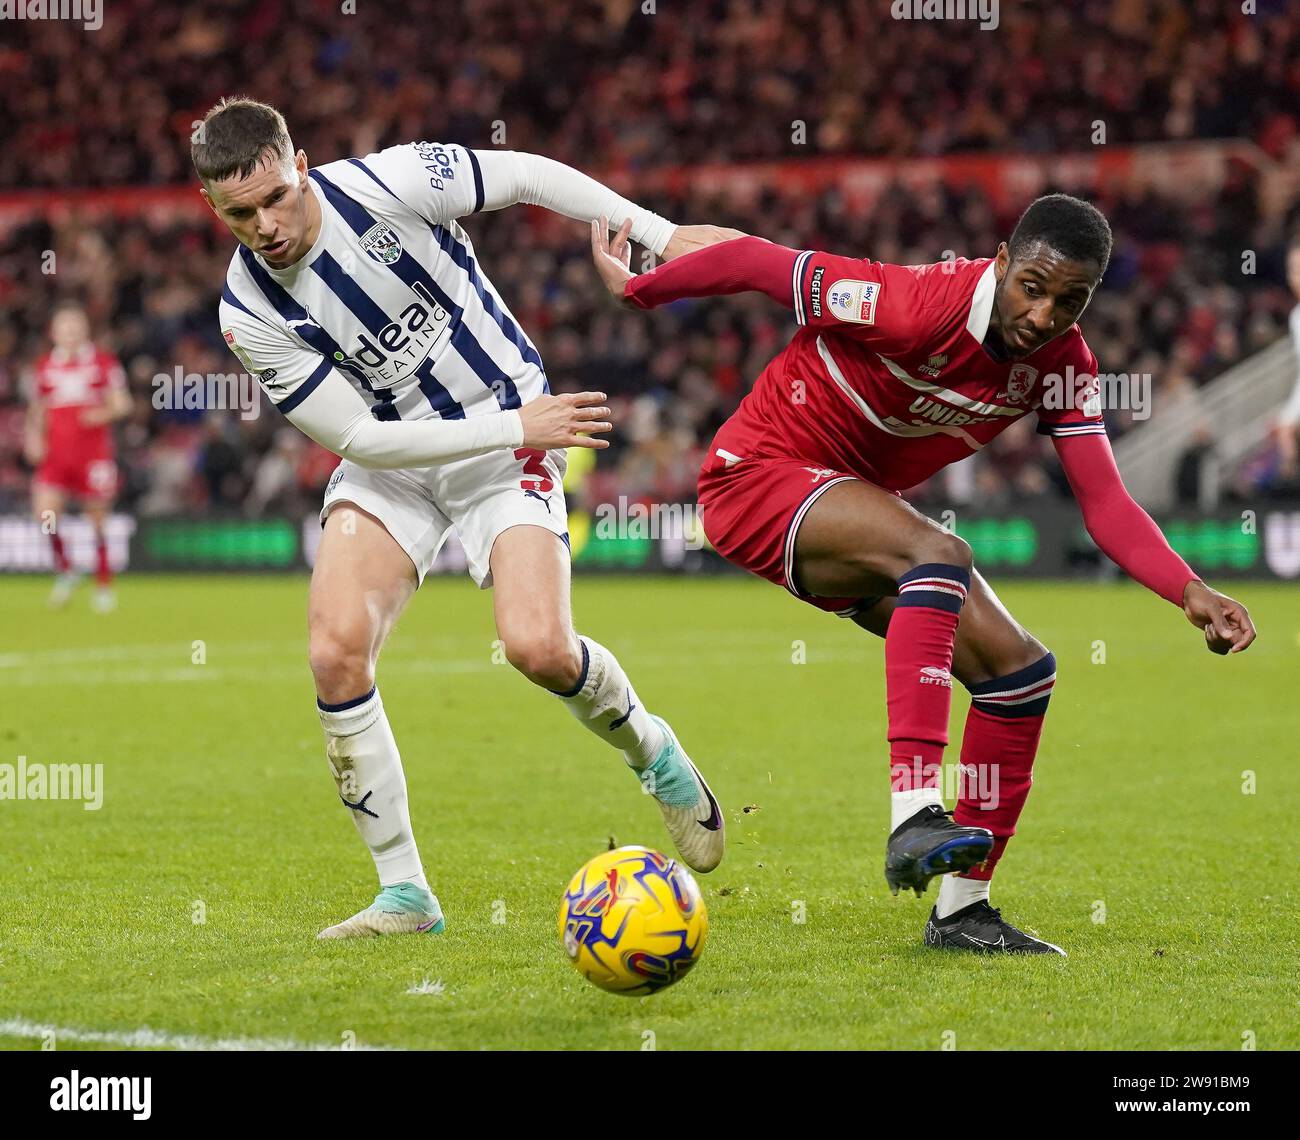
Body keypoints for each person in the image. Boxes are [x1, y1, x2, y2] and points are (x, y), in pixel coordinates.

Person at [591, 194, 1257, 956]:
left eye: (1069, 302)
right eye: (1032, 288)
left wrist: (1190, 590)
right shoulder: (912, 305)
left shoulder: (1062, 367)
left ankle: (962, 911)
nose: (1043, 316)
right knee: (939, 555)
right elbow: (755, 261)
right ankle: (914, 813)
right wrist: (638, 289)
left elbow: (1104, 502)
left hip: (850, 505)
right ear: (1002, 264)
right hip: (756, 480)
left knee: (1021, 674)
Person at [195, 97, 730, 939]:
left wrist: (654, 232)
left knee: (539, 649)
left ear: (300, 165)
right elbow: (363, 435)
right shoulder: (248, 314)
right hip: (403, 458)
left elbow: (522, 175)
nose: (264, 225)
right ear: (211, 209)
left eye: (274, 198)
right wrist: (524, 426)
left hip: (501, 433)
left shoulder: (390, 182)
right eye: (239, 214)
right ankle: (405, 893)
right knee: (334, 651)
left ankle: (654, 754)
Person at [23, 303, 131, 612]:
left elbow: (123, 404)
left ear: (85, 330)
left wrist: (101, 413)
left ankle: (103, 583)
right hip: (56, 455)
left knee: (97, 520)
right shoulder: (45, 366)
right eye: (64, 327)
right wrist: (33, 437)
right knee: (44, 515)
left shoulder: (102, 363)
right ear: (54, 332)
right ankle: (67, 568)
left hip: (93, 455)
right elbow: (37, 409)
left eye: (76, 327)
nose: (70, 333)